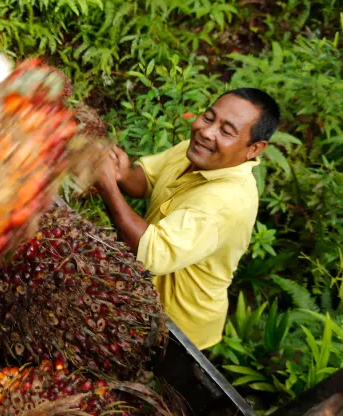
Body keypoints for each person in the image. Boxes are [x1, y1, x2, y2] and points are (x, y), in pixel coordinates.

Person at [94, 88, 280, 349]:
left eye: (226, 131)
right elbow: (146, 181)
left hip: (177, 328)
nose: (206, 132)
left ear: (254, 149)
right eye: (208, 117)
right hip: (141, 297)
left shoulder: (226, 202)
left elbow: (150, 252)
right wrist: (122, 174)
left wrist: (108, 187)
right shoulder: (197, 152)